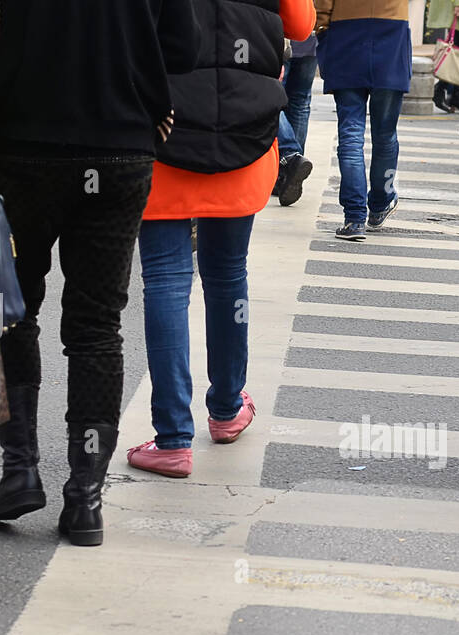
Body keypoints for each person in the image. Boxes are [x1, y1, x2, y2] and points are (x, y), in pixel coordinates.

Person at [0, 0, 200, 547]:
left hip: (22, 143)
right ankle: (85, 498)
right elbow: (181, 50)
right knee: (97, 325)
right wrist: (147, 99)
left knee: (11, 312)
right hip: (120, 146)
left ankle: (20, 469)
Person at [126, 0, 316, 480]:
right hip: (244, 134)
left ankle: (171, 439)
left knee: (166, 281)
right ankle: (228, 408)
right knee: (228, 273)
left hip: (163, 131)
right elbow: (300, 24)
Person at [315, 0, 412, 241]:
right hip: (392, 32)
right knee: (386, 135)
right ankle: (380, 204)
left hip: (346, 34)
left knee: (350, 134)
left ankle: (354, 218)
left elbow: (323, 5)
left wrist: (322, 27)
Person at [274, 32, 318, 207]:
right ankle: (293, 166)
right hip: (309, 37)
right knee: (300, 103)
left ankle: (290, 159)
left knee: (272, 98)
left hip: (281, 37)